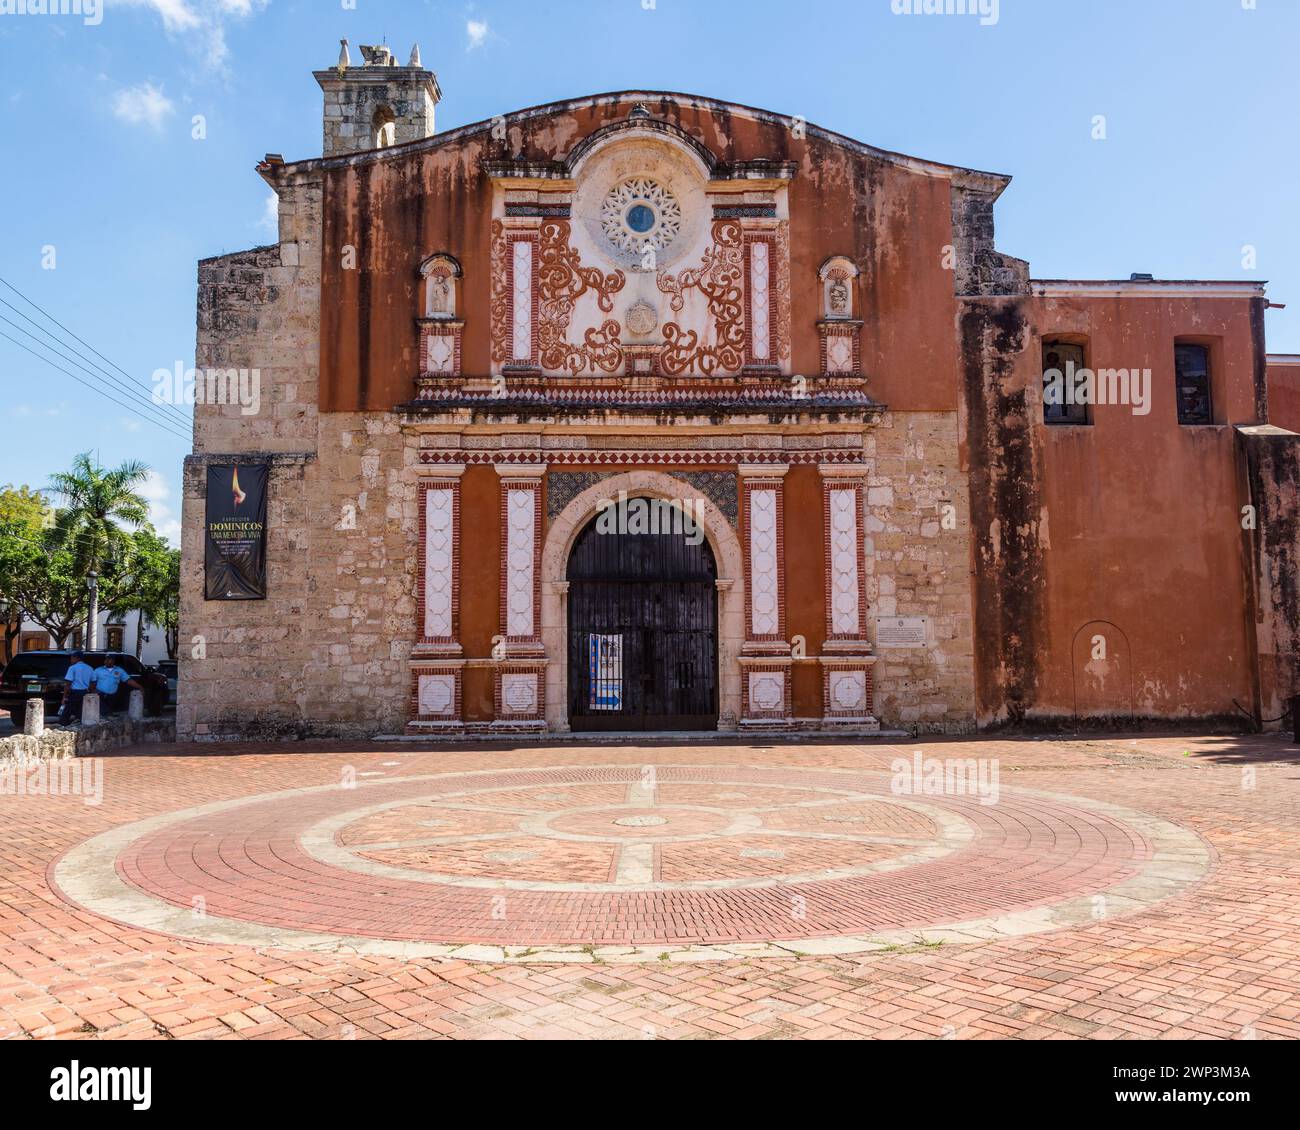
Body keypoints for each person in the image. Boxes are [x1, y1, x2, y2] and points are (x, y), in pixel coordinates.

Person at [58, 651, 95, 724]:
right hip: (85, 692)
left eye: (72, 658)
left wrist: (64, 697)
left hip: (74, 693)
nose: (71, 660)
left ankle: (63, 726)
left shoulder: (72, 668)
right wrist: (89, 690)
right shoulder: (90, 668)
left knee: (66, 712)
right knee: (81, 711)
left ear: (76, 658)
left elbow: (68, 683)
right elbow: (93, 682)